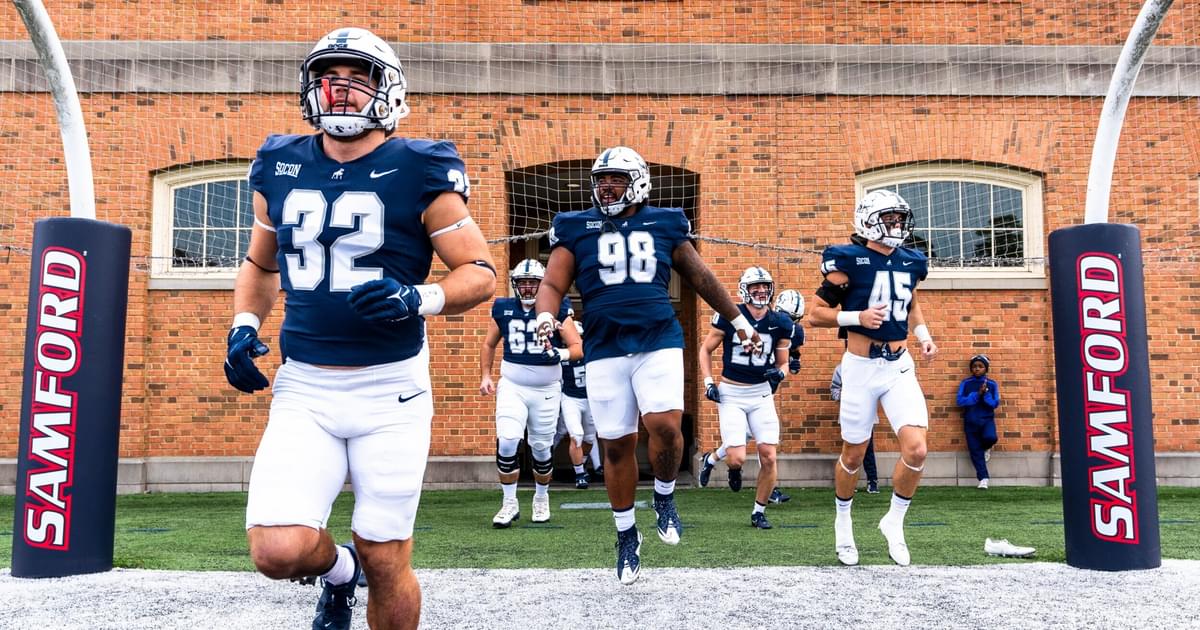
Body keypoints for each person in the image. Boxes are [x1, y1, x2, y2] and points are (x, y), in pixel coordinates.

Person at [224, 27, 496, 630]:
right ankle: (339, 571)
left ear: (388, 91)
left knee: (386, 557)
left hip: (390, 389)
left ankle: (362, 567)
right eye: (329, 77)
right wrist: (243, 324)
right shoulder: (279, 163)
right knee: (277, 550)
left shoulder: (419, 166)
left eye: (357, 78)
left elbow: (480, 273)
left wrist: (417, 297)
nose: (340, 89)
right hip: (305, 386)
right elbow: (261, 266)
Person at [533, 146, 763, 585]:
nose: (606, 187)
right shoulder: (574, 226)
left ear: (637, 182)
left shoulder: (665, 221)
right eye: (601, 180)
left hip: (658, 338)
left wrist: (738, 321)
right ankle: (626, 535)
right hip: (604, 346)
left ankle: (664, 495)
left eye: (616, 179)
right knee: (616, 446)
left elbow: (701, 277)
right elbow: (552, 283)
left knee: (665, 427)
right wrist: (546, 315)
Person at [809, 189, 938, 568]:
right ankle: (843, 521)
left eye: (899, 219)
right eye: (889, 219)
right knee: (853, 454)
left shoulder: (911, 260)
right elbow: (815, 314)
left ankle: (893, 521)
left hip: (899, 366)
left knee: (917, 450)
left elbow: (911, 302)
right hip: (861, 367)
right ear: (867, 222)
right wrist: (857, 317)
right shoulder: (848, 259)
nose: (896, 226)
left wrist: (923, 336)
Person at [479, 259, 580, 526]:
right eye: (522, 283)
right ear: (515, 284)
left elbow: (578, 347)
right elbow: (489, 344)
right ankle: (509, 503)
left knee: (541, 449)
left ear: (542, 284)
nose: (526, 288)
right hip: (512, 386)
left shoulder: (557, 307)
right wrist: (486, 375)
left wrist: (560, 353)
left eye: (532, 283)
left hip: (546, 389)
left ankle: (541, 498)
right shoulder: (503, 308)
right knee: (507, 441)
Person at [698, 266, 793, 530]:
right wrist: (708, 382)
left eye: (765, 286)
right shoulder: (730, 316)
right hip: (732, 393)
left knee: (769, 456)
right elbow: (705, 350)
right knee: (736, 457)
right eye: (755, 287)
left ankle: (758, 512)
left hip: (761, 393)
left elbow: (784, 363)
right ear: (745, 290)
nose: (761, 291)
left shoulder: (781, 322)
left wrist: (780, 374)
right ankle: (730, 467)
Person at [555, 320, 601, 489]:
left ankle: (581, 462)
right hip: (570, 398)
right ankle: (580, 474)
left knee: (589, 439)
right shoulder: (561, 354)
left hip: (590, 399)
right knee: (576, 435)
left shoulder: (591, 353)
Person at [830, 363, 879, 494]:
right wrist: (846, 396)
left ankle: (872, 482)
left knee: (868, 449)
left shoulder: (870, 367)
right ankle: (848, 482)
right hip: (848, 415)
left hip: (867, 414)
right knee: (850, 450)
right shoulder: (841, 368)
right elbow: (834, 390)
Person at [956, 354, 1000, 489]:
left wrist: (985, 394)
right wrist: (977, 395)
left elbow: (994, 403)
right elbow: (960, 401)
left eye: (980, 366)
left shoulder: (992, 384)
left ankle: (987, 447)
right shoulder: (966, 383)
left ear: (986, 369)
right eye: (974, 366)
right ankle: (983, 479)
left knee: (991, 437)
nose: (977, 369)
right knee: (975, 451)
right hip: (970, 422)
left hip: (986, 420)